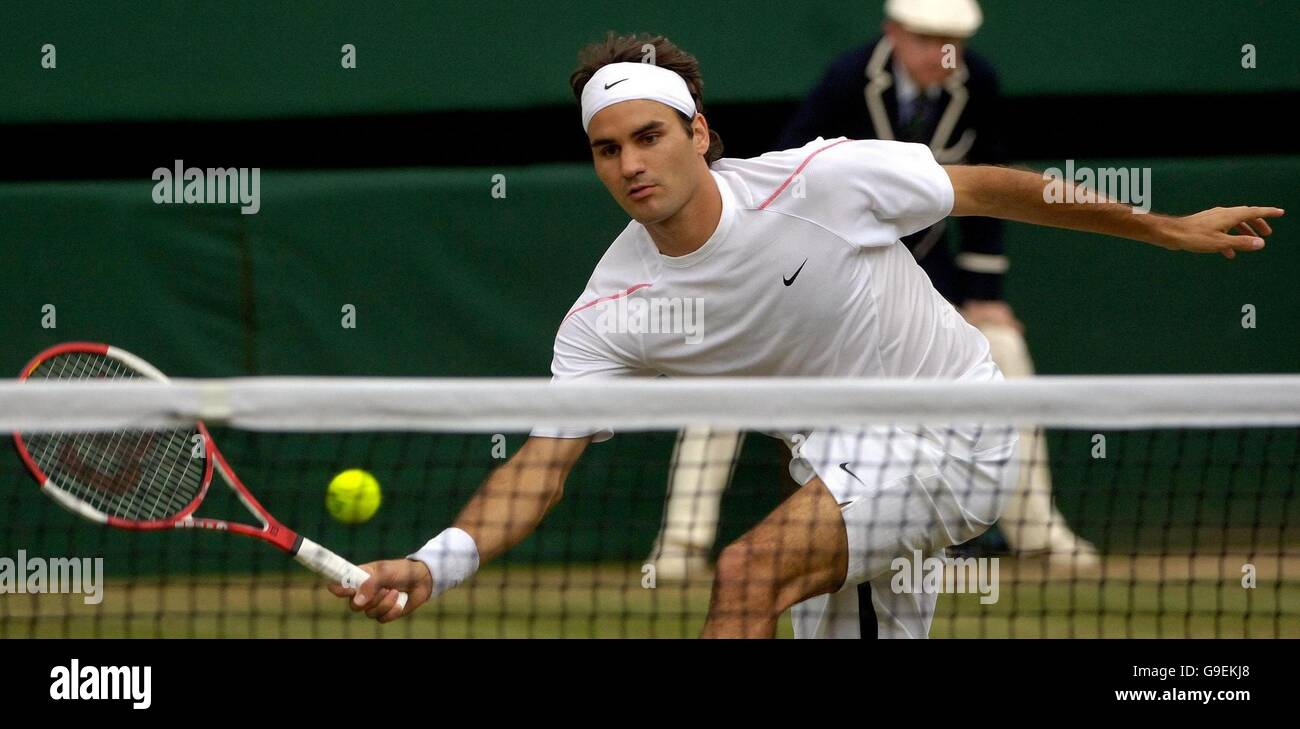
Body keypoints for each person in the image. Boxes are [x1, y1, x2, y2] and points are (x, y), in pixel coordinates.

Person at [329, 32, 1279, 638]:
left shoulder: (822, 180)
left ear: (701, 134)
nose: (630, 162)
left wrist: (1165, 226)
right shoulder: (610, 309)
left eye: (650, 135)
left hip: (954, 422)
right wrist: (431, 562)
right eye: (607, 148)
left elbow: (991, 186)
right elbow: (544, 463)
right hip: (831, 466)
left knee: (743, 572)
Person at [651, 0, 1095, 578]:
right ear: (894, 33)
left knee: (1006, 352)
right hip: (817, 286)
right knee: (724, 382)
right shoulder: (846, 80)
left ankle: (1040, 536)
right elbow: (783, 182)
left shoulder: (977, 82)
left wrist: (986, 293)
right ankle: (679, 548)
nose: (945, 54)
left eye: (955, 41)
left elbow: (989, 189)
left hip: (927, 289)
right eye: (930, 38)